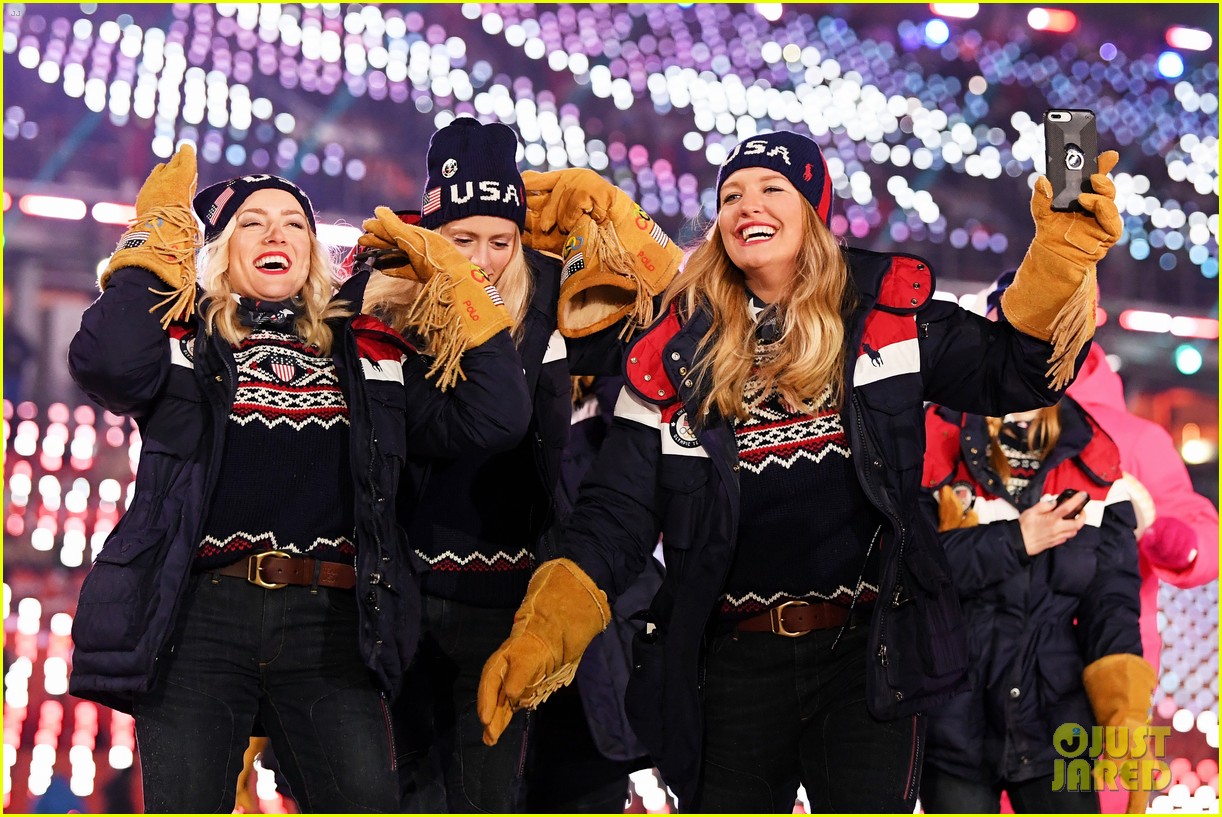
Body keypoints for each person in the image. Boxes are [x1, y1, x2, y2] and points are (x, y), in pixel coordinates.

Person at [476, 130, 1125, 812]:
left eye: (770, 188)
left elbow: (1013, 369)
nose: (745, 204)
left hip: (866, 660)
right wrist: (543, 631)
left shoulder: (888, 319)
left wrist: (1061, 253)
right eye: (730, 195)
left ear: (815, 210)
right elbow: (616, 514)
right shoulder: (674, 353)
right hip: (729, 667)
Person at [66, 145, 530, 812]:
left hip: (334, 623)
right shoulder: (185, 337)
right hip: (200, 618)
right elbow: (104, 363)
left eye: (294, 223)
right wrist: (152, 237)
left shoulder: (369, 350)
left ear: (314, 251)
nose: (277, 232)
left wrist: (459, 280)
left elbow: (496, 417)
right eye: (253, 222)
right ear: (222, 249)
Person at [352, 117, 681, 812]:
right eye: (461, 241)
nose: (483, 262)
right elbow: (480, 424)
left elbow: (683, 317)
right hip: (405, 598)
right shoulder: (381, 301)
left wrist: (622, 218)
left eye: (501, 241)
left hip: (516, 603)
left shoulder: (549, 300)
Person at [919, 396, 1148, 813]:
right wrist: (1014, 541)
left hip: (1060, 728)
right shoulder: (934, 442)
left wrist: (1124, 709)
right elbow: (909, 568)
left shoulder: (1095, 461)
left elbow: (1112, 607)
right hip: (954, 723)